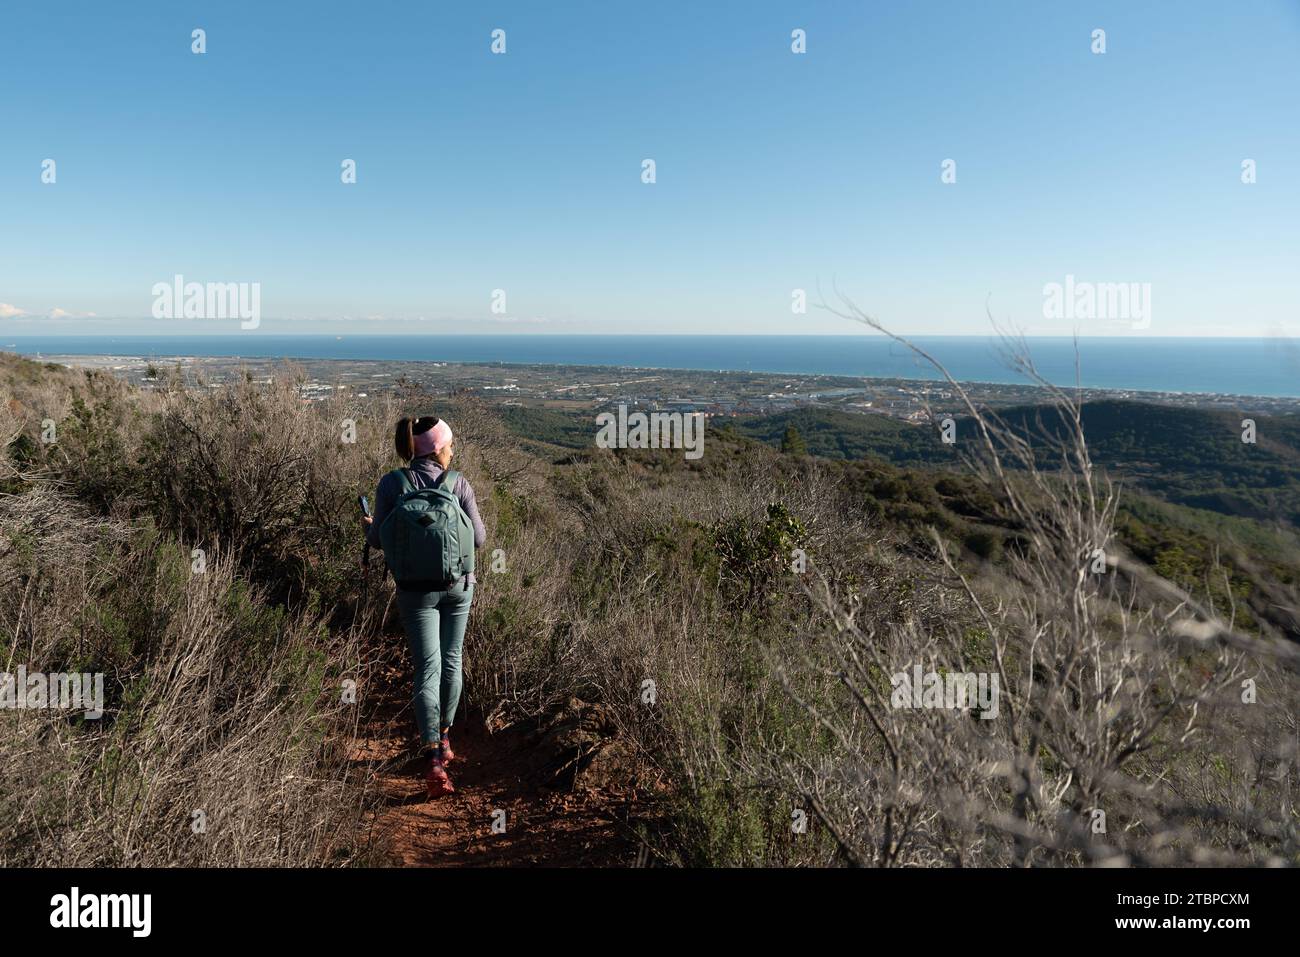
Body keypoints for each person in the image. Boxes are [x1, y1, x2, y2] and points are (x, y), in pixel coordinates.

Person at [363, 415, 486, 798]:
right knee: (452, 661)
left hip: (414, 591)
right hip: (458, 587)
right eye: (449, 444)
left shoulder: (391, 484)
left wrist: (370, 525)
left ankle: (432, 756)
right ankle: (445, 737)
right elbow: (479, 539)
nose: (452, 450)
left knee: (427, 668)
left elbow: (380, 540)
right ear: (437, 448)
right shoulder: (458, 483)